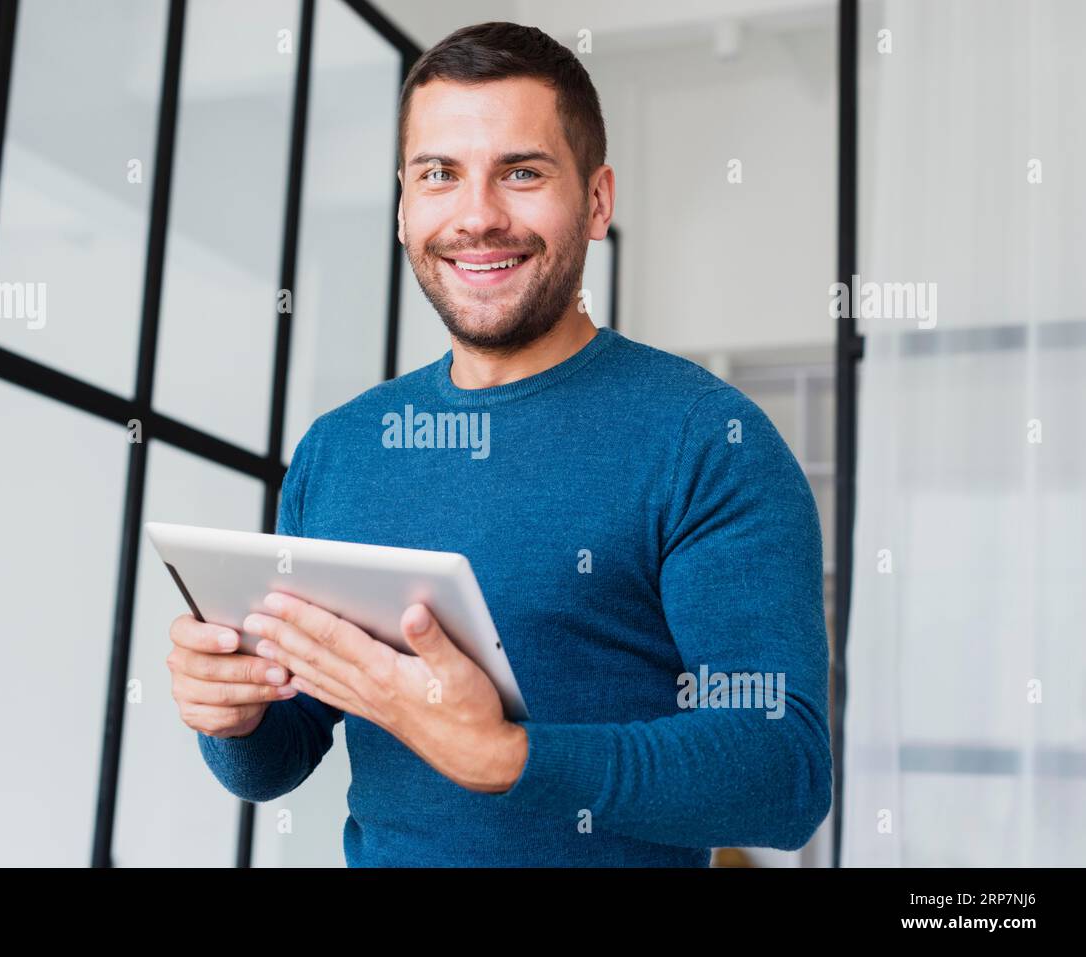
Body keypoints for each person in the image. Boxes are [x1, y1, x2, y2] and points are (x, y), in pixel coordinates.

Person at [166, 21, 832, 867]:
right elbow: (283, 754)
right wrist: (233, 711)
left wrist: (509, 757)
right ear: (405, 208)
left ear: (596, 201)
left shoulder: (710, 442)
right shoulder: (339, 451)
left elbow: (784, 772)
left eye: (521, 172)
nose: (477, 217)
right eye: (439, 175)